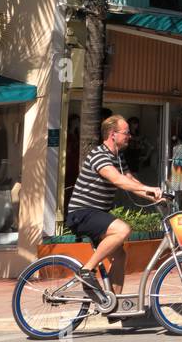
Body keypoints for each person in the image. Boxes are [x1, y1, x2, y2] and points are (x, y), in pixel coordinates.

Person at [66, 115, 163, 304]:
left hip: (97, 213)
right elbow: (118, 181)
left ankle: (113, 304)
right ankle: (86, 271)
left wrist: (156, 196)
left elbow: (131, 181)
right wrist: (149, 189)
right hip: (82, 212)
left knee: (120, 256)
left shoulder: (118, 158)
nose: (130, 136)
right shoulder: (99, 155)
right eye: (126, 133)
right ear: (112, 134)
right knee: (123, 229)